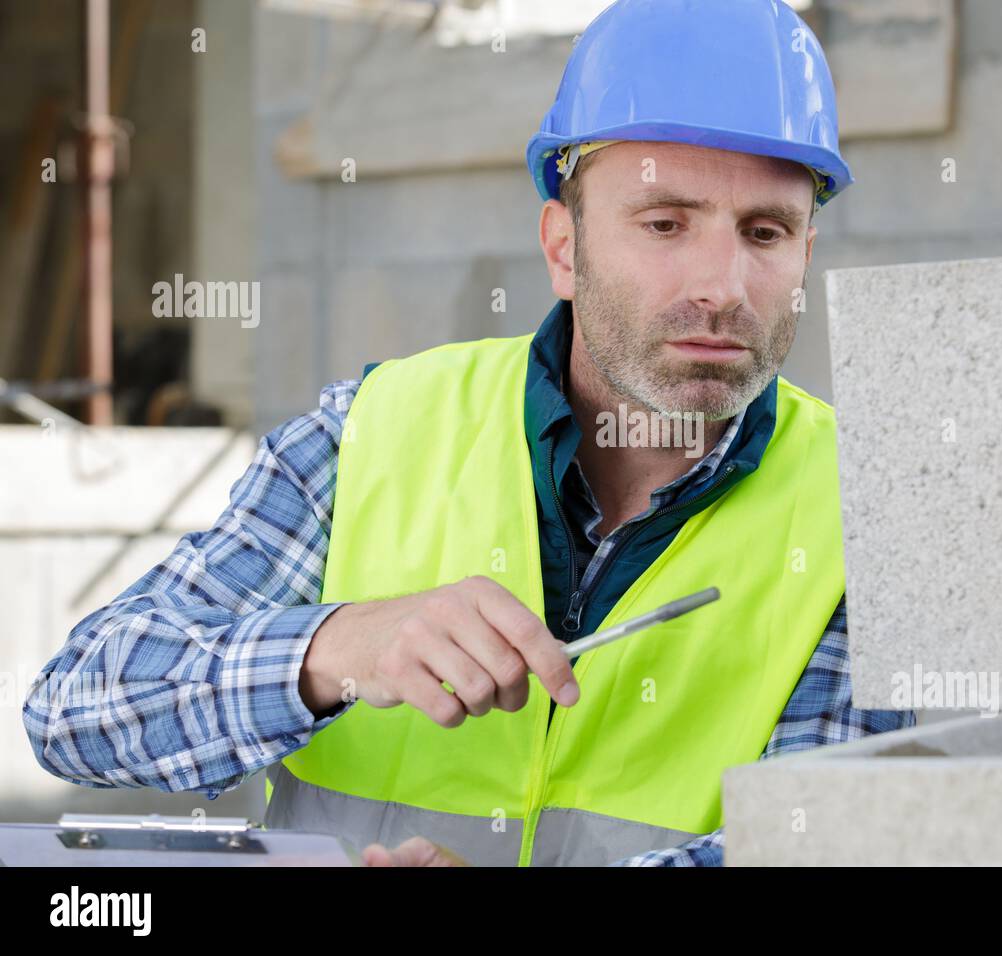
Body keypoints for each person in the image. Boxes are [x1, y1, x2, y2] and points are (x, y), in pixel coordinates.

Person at [24, 0, 914, 867]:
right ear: (564, 249)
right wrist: (333, 646)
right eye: (665, 222)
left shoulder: (860, 510)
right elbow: (80, 705)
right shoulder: (371, 432)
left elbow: (815, 839)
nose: (723, 285)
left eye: (766, 231)